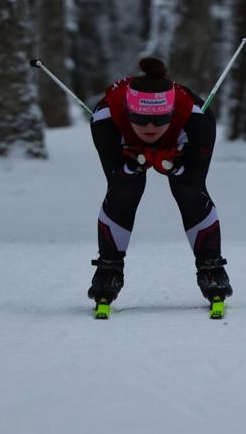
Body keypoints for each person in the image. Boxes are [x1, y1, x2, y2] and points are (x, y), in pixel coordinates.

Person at [86, 57, 229, 319]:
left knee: (188, 188)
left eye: (159, 118)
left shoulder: (197, 119)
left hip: (181, 136)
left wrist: (176, 167)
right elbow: (116, 176)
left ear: (172, 112)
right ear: (129, 112)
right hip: (122, 136)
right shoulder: (106, 118)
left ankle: (211, 267)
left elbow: (193, 176)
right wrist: (132, 165)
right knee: (124, 187)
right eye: (140, 118)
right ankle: (108, 269)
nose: (150, 127)